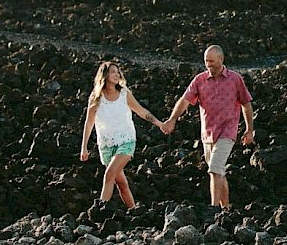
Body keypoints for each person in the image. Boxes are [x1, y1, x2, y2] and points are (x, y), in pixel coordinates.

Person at [162, 45, 254, 209]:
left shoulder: (235, 79)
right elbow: (184, 101)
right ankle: (226, 209)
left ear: (221, 59)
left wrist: (249, 129)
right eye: (206, 61)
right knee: (219, 172)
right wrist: (172, 119)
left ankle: (213, 210)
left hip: (227, 131)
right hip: (207, 134)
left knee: (214, 169)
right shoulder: (199, 80)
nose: (208, 64)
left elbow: (246, 104)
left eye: (212, 61)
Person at [80, 61, 164, 207]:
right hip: (106, 145)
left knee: (109, 176)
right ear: (104, 75)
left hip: (126, 141)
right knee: (122, 184)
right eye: (113, 71)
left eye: (118, 71)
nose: (117, 74)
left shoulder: (124, 93)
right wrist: (84, 147)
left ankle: (100, 210)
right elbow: (89, 123)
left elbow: (141, 111)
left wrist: (160, 124)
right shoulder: (96, 97)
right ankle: (134, 211)